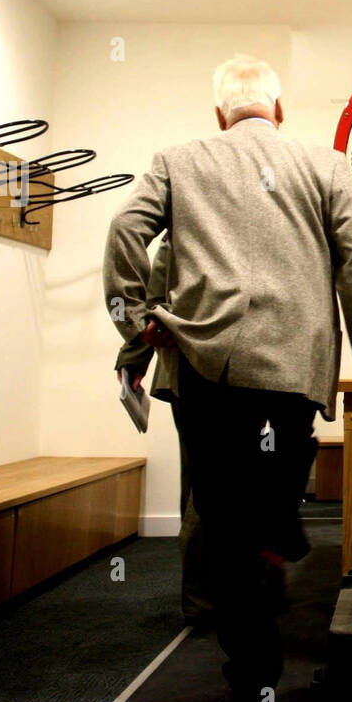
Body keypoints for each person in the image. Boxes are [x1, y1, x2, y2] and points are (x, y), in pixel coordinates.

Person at [103, 54, 352, 702]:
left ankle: (252, 678)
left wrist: (137, 320)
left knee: (222, 519)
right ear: (280, 111)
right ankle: (277, 532)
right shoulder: (324, 165)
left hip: (208, 370)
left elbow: (126, 231)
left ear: (218, 114)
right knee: (277, 486)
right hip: (291, 369)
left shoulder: (179, 159)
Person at [114, 236, 213, 624]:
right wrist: (136, 354)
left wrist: (135, 356)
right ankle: (206, 597)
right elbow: (157, 292)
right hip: (201, 371)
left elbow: (156, 290)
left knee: (205, 483)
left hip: (202, 370)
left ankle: (209, 595)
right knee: (207, 485)